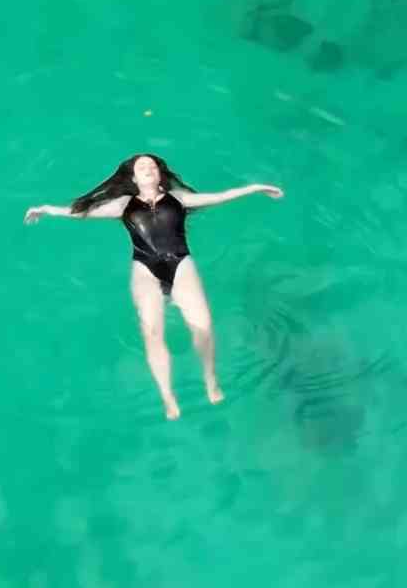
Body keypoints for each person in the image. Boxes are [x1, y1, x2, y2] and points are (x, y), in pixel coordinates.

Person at [24, 154, 284, 420]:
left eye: (152, 165)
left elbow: (220, 196)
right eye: (141, 167)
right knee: (152, 331)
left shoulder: (179, 199)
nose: (148, 168)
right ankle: (167, 396)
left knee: (203, 325)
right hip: (144, 269)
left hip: (180, 265)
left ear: (160, 174)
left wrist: (256, 188)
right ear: (134, 178)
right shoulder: (124, 205)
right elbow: (83, 213)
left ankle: (210, 379)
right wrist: (47, 209)